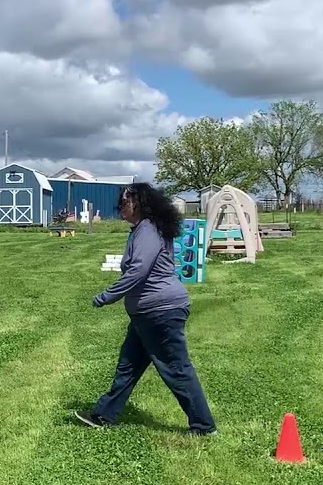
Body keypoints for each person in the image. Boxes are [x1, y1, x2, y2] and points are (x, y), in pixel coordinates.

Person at [75, 182, 217, 436]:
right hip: (146, 315)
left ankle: (204, 426)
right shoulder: (143, 229)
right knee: (128, 366)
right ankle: (104, 415)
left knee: (176, 369)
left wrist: (108, 296)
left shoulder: (148, 231)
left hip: (160, 312)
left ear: (138, 203)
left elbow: (138, 271)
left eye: (124, 202)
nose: (119, 207)